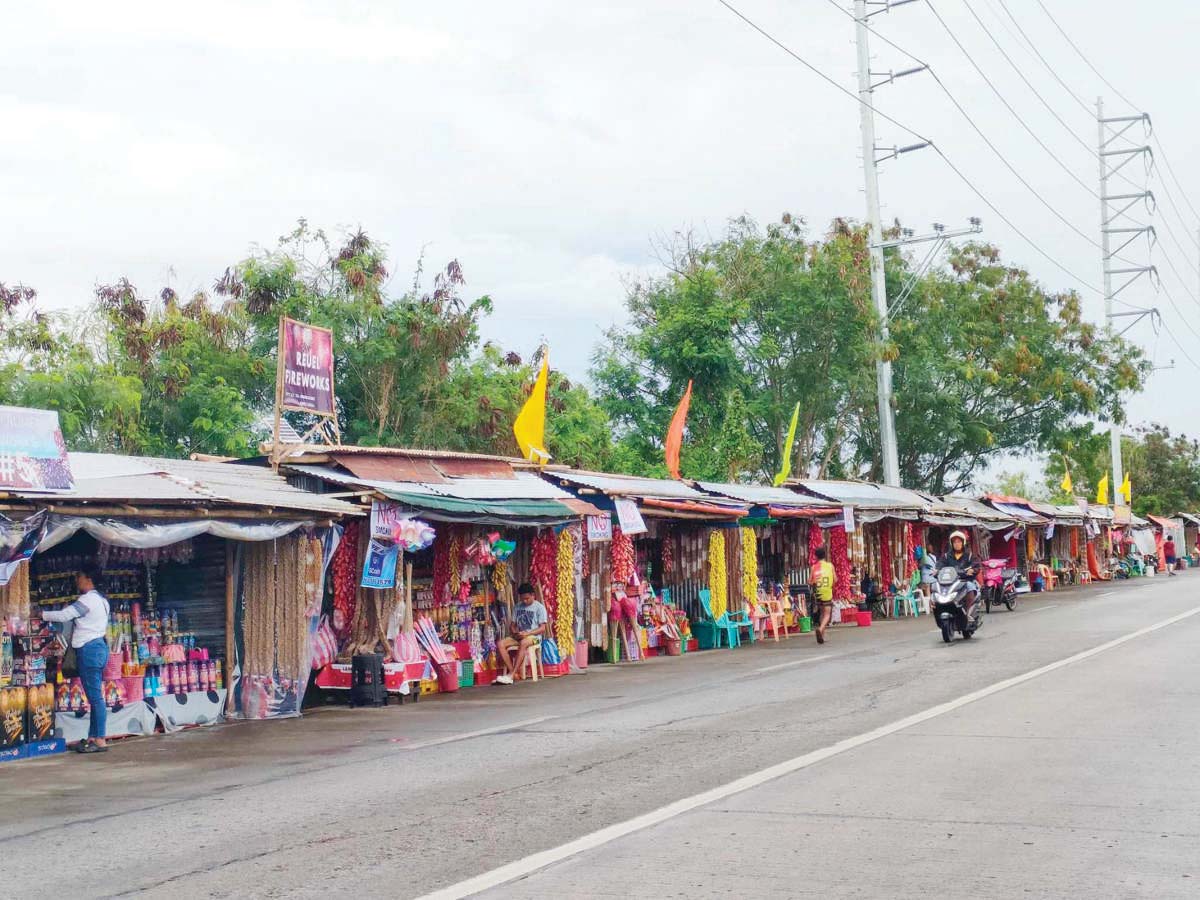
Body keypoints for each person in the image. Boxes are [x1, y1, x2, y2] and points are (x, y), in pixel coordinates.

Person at [43, 562, 111, 753]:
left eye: (79, 577)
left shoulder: (88, 600)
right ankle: (93, 737)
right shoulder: (102, 600)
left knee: (95, 697)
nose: (77, 580)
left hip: (89, 650)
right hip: (97, 648)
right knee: (95, 696)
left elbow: (65, 615)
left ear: (88, 579)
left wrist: (41, 614)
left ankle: (100, 739)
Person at [495, 583, 547, 685]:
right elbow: (512, 625)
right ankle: (513, 673)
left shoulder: (539, 608)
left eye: (527, 598)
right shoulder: (517, 607)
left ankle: (511, 674)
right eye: (522, 599)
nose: (524, 601)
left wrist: (528, 633)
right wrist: (515, 632)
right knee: (500, 644)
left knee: (524, 642)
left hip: (535, 637)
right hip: (520, 636)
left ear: (533, 595)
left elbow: (542, 628)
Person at [937, 530, 981, 624]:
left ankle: (969, 612)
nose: (957, 544)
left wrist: (973, 570)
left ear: (963, 542)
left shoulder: (969, 555)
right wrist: (937, 570)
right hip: (951, 582)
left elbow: (976, 565)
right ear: (951, 544)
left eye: (959, 541)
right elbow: (940, 565)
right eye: (954, 542)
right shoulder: (946, 556)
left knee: (970, 586)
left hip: (965, 580)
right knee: (936, 587)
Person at [812, 547, 836, 645]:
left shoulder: (813, 567)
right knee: (827, 614)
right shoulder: (830, 566)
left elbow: (810, 581)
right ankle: (820, 629)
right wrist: (831, 586)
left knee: (822, 613)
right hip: (827, 592)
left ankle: (822, 635)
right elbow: (835, 579)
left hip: (818, 592)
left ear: (816, 556)